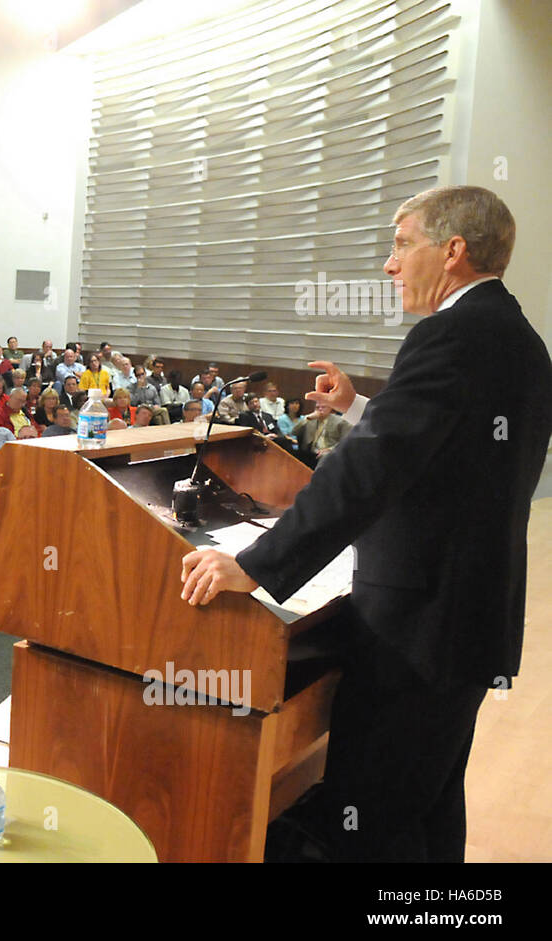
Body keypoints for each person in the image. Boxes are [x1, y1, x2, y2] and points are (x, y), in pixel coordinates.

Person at [180, 186, 552, 863]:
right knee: (430, 812)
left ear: (453, 250)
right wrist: (358, 408)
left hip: (418, 629)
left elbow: (371, 471)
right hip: (466, 621)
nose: (389, 263)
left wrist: (257, 563)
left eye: (401, 242)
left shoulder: (450, 335)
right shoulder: (520, 341)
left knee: (371, 826)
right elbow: (439, 455)